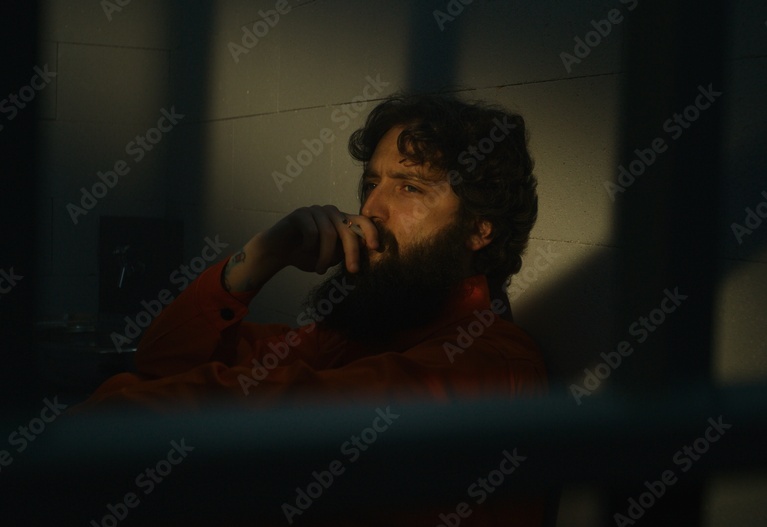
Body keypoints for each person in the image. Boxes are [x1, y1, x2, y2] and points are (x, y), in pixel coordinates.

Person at [74, 93, 546, 409]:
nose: (371, 209)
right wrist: (264, 256)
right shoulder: (355, 333)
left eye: (410, 188)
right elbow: (161, 360)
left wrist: (113, 402)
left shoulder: (490, 365)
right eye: (371, 184)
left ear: (479, 229)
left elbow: (277, 410)